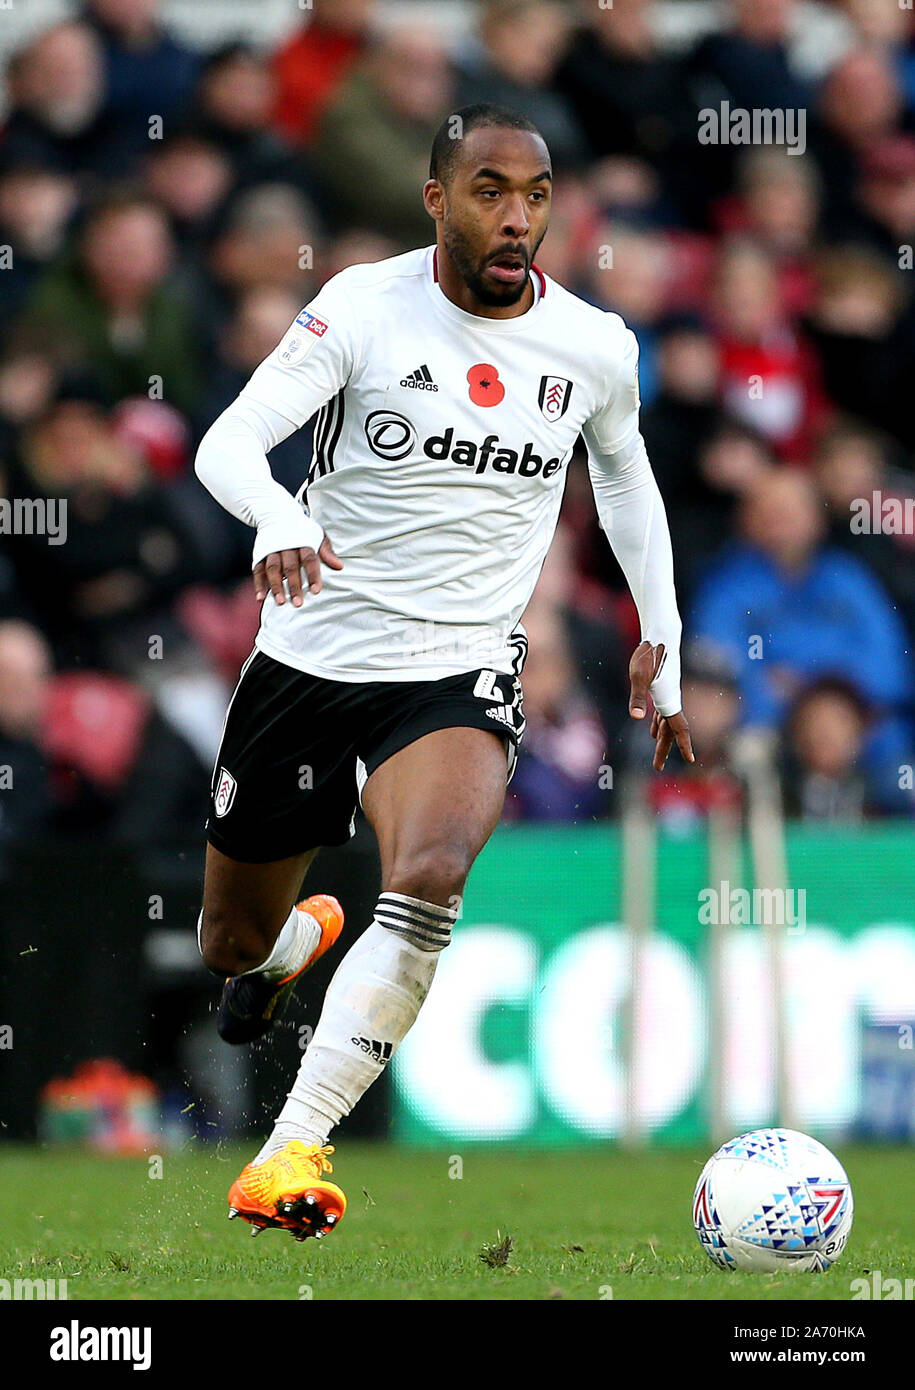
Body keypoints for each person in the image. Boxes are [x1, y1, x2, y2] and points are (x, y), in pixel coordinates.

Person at [194, 103, 691, 1240]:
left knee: (429, 875)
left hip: (457, 662)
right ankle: (287, 947)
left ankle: (288, 1151)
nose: (517, 217)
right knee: (228, 942)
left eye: (535, 193)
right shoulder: (365, 306)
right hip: (313, 656)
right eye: (488, 191)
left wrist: (659, 637)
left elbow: (625, 483)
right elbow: (228, 441)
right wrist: (275, 517)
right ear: (436, 198)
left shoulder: (593, 348)